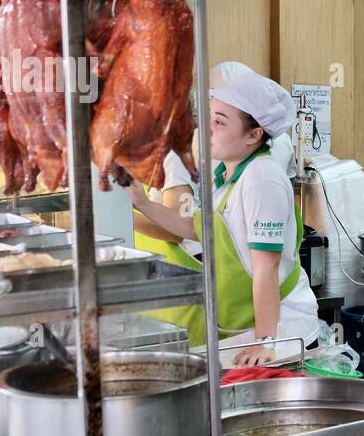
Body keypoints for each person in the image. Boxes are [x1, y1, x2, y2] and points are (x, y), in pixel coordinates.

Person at [130, 70, 318, 366]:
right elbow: (195, 228)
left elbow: (265, 269)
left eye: (219, 122)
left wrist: (267, 342)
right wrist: (142, 203)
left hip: (282, 331)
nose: (207, 129)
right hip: (251, 328)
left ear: (254, 135)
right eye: (209, 117)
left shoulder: (262, 178)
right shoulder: (228, 176)